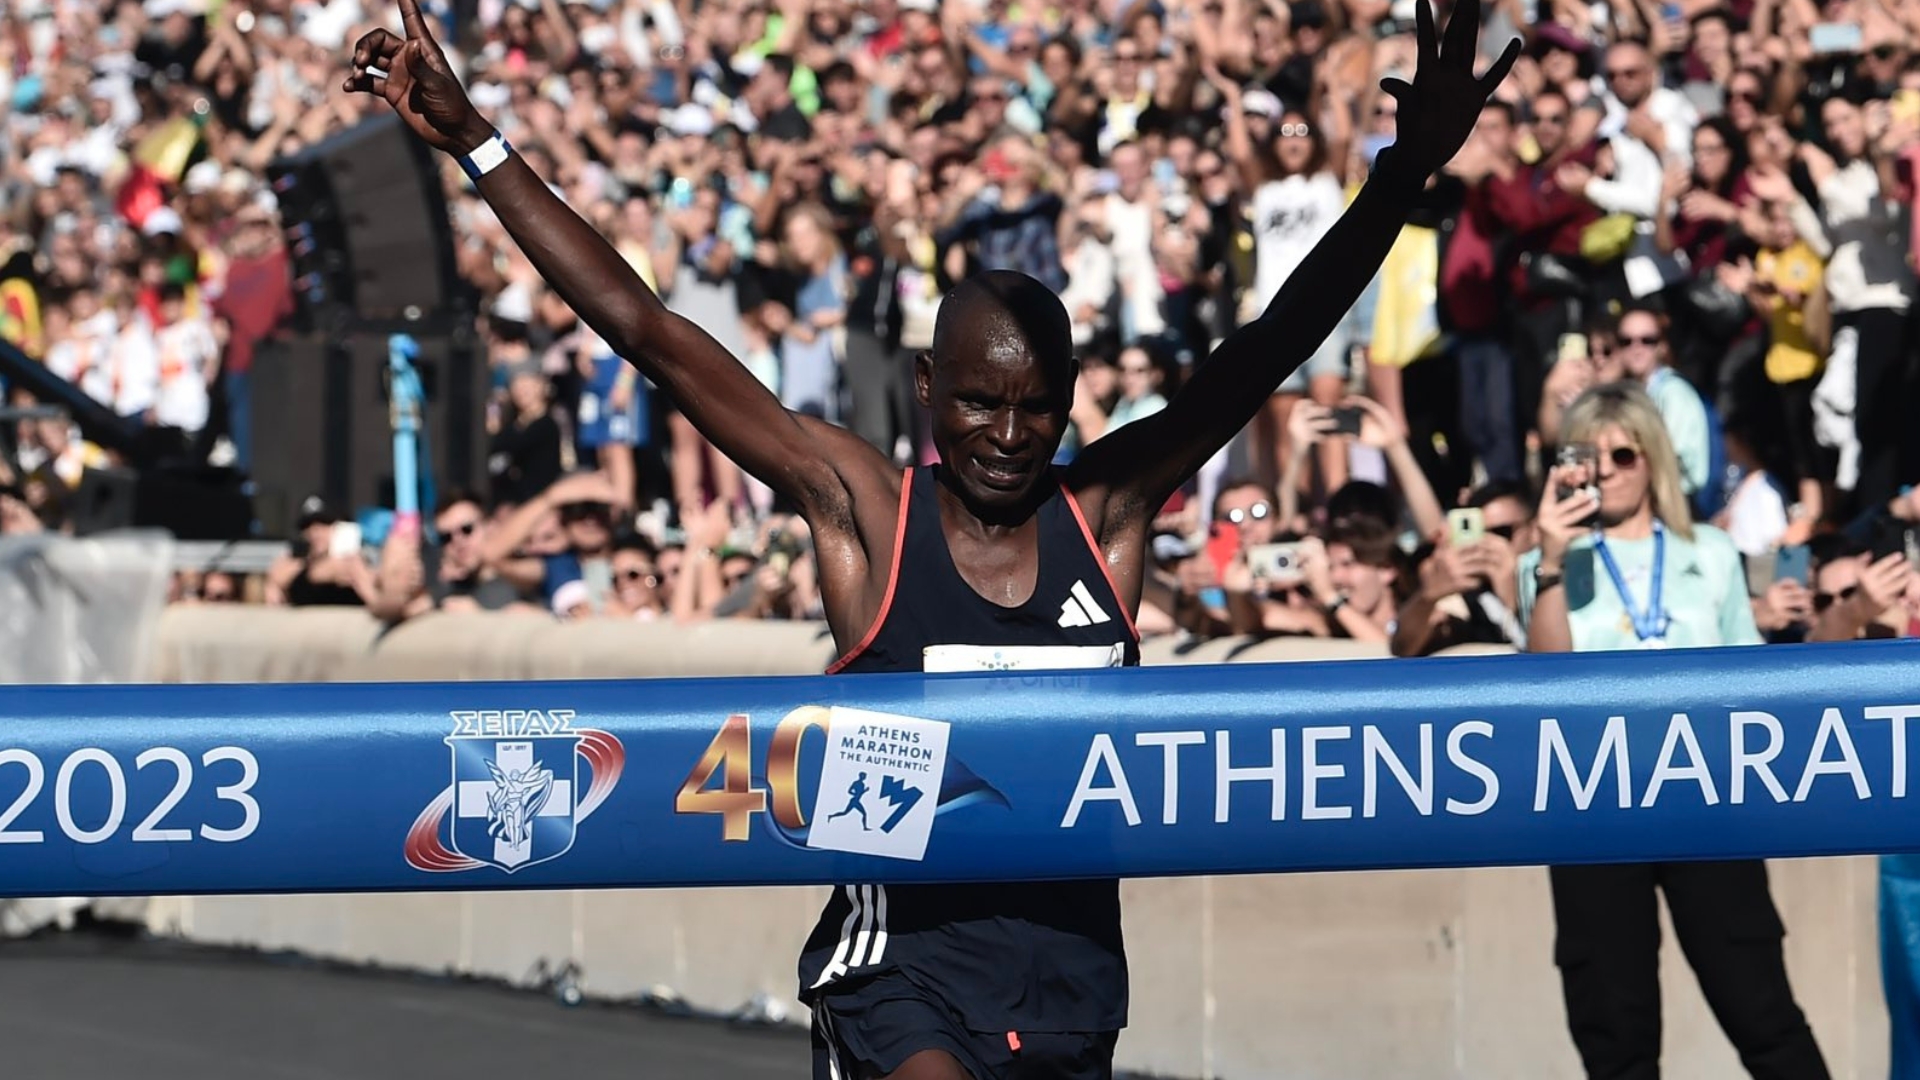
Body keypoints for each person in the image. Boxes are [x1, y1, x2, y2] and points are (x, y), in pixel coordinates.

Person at [345, 3, 1516, 1076]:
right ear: (924, 391)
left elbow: (1270, 346)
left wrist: (1405, 172)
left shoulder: (1103, 517)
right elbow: (652, 334)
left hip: (1069, 987)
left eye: (1035, 407)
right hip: (895, 976)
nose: (1007, 435)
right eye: (977, 403)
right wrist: (477, 143)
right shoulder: (864, 511)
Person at [1518, 383, 1829, 1080]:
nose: (1603, 472)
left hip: (1703, 802)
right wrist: (1549, 563)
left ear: (1652, 458)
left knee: (1765, 1015)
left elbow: (1750, 681)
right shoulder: (1547, 563)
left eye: (1620, 454)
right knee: (1616, 1038)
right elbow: (1542, 687)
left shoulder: (1712, 553)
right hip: (1593, 805)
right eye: (1586, 457)